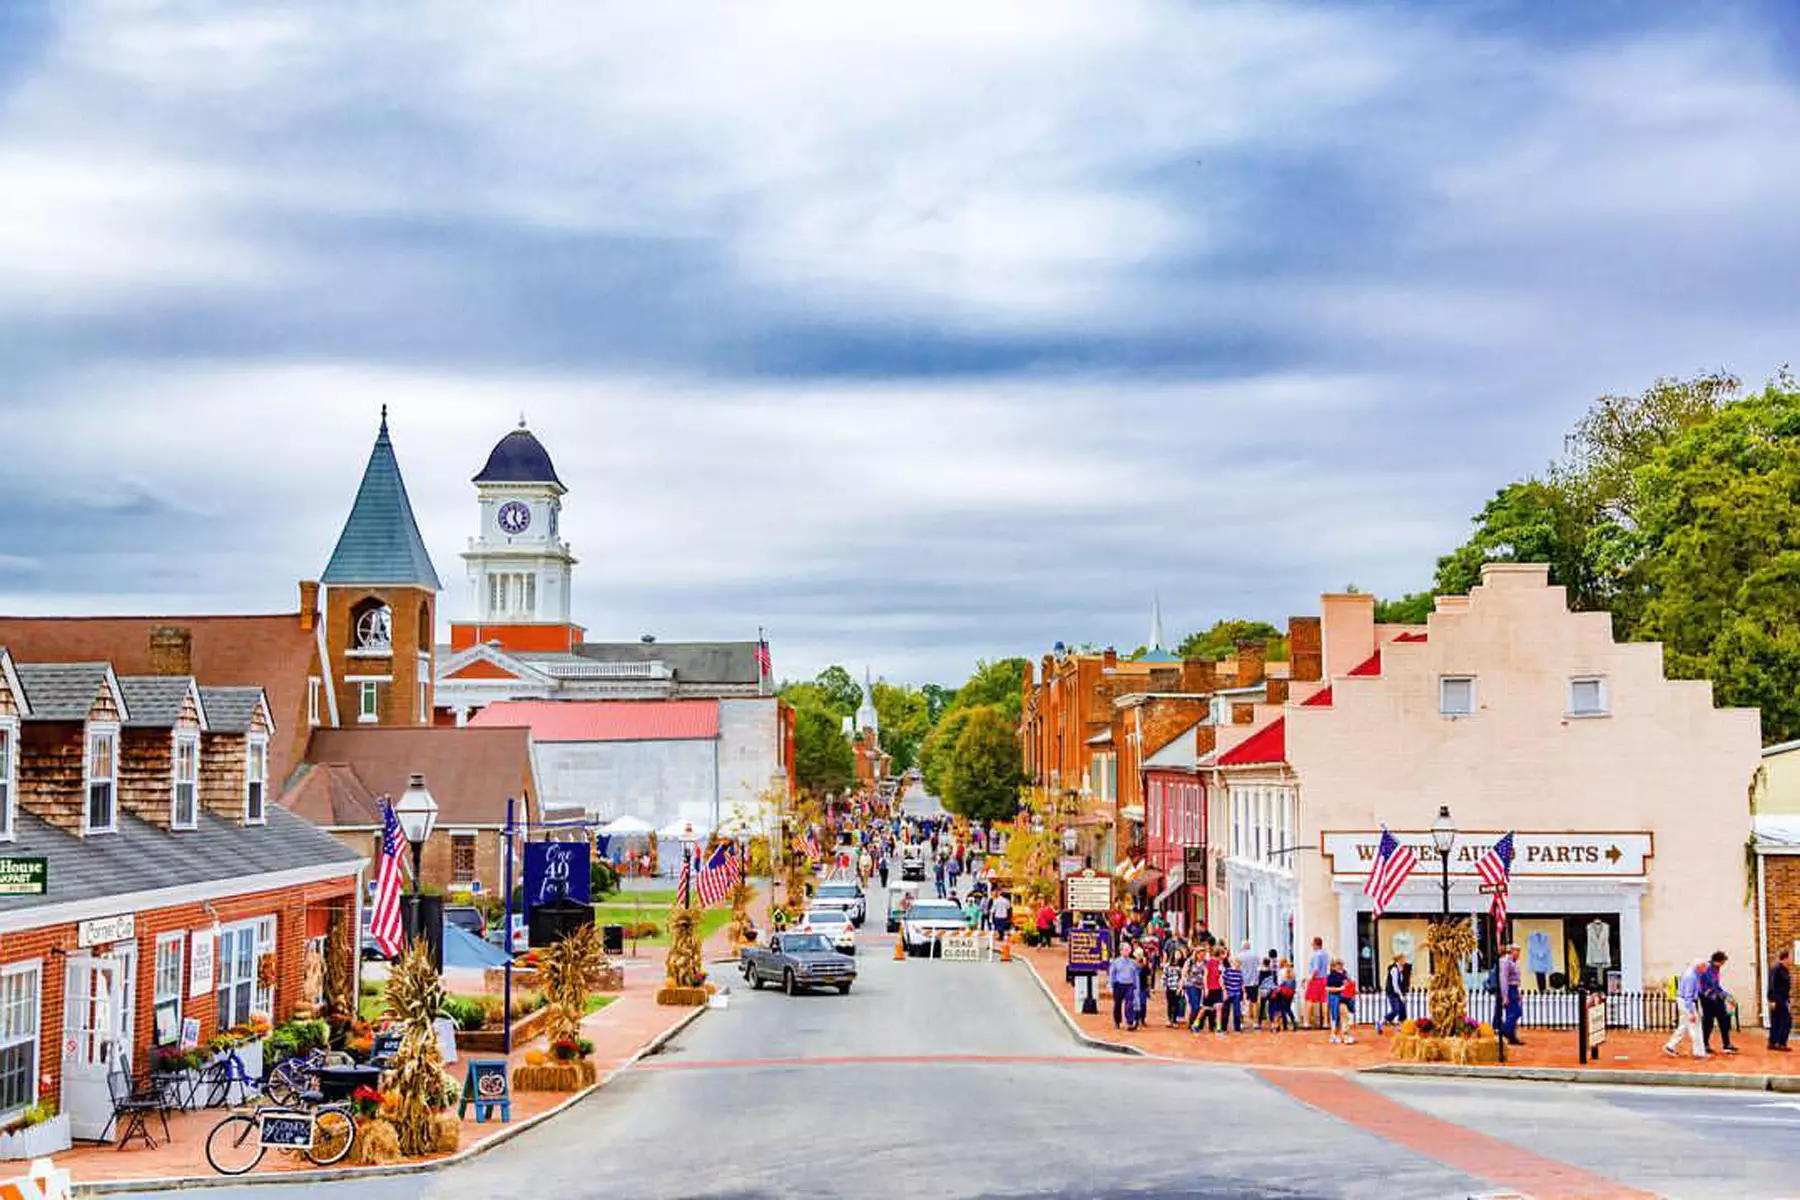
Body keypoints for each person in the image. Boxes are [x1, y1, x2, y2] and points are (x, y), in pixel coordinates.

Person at [1663, 958, 1708, 1059]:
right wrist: (1691, 1012)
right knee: (1695, 1027)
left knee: (1683, 1026)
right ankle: (1699, 1053)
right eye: (1705, 968)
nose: (1706, 970)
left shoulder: (1693, 972)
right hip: (1687, 1003)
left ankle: (1670, 1046)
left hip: (1684, 1001)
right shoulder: (1691, 977)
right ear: (1699, 967)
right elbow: (1688, 997)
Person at [1699, 950, 1737, 1054]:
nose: (1723, 964)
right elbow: (1706, 986)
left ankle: (1726, 1044)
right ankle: (1704, 1044)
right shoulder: (1707, 969)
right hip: (1707, 999)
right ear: (1717, 961)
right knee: (1708, 1022)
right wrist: (1714, 995)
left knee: (1724, 1020)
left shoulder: (1716, 969)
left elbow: (1717, 986)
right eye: (1723, 962)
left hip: (1716, 998)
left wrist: (1726, 996)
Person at [1108, 942, 1140, 1031]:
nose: (1127, 951)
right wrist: (1111, 985)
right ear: (1121, 951)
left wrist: (1136, 986)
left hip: (1129, 985)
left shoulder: (1133, 962)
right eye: (1125, 950)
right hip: (1118, 985)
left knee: (1129, 1004)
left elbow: (1135, 975)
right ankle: (1117, 1021)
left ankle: (1130, 1022)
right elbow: (1112, 974)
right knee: (1117, 1004)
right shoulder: (1116, 962)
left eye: (1128, 949)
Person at [1498, 944, 1525, 1046]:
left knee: (1515, 1013)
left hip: (1514, 989)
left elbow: (1517, 979)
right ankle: (1504, 1031)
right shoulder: (1506, 962)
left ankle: (1512, 1036)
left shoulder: (1515, 962)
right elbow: (1504, 979)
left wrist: (1518, 991)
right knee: (1515, 1013)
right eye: (1516, 951)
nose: (1518, 953)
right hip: (1509, 989)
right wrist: (1505, 995)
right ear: (1512, 951)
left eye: (1519, 951)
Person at [1380, 953, 1411, 1035]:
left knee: (1403, 1010)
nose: (1405, 961)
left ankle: (1400, 1028)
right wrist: (1400, 995)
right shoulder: (1394, 969)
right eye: (1403, 959)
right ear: (1399, 960)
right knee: (1395, 1010)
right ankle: (1381, 1022)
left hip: (1399, 992)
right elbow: (1395, 984)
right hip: (1392, 993)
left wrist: (1403, 993)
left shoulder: (1401, 969)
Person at [1326, 958, 1355, 1044]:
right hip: (1335, 998)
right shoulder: (1331, 977)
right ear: (1333, 967)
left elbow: (1349, 984)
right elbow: (1328, 988)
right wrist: (1339, 989)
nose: (1340, 967)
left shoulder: (1345, 975)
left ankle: (1345, 1035)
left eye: (1341, 965)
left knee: (1345, 1016)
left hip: (1344, 999)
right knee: (1336, 1018)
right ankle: (1335, 1035)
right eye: (1338, 965)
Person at [1304, 937, 1331, 1030]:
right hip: (1324, 978)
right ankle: (1326, 1023)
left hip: (1316, 979)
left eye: (1312, 943)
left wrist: (1310, 979)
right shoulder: (1326, 954)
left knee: (1310, 1000)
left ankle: (1307, 1022)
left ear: (1315, 944)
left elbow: (1315, 969)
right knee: (1324, 1001)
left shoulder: (1316, 955)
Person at [1771, 950, 1793, 1052]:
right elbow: (1771, 985)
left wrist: (1788, 999)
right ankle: (1781, 1043)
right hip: (1777, 999)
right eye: (1790, 957)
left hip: (1783, 998)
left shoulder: (1785, 969)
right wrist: (1772, 1000)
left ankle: (1773, 1042)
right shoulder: (1777, 969)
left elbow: (1786, 986)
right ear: (1785, 958)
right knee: (1786, 1021)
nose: (1791, 959)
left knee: (1777, 1021)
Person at [1270, 961, 1298, 1032]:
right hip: (1290, 995)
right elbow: (1294, 987)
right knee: (1288, 1009)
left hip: (1284, 994)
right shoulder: (1293, 978)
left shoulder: (1284, 978)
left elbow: (1280, 985)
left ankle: (1284, 1025)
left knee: (1282, 1010)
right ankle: (1294, 1022)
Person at [1163, 946, 1187, 1027]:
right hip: (1169, 987)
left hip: (1177, 988)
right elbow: (1164, 976)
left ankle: (1174, 1020)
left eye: (1179, 954)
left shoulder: (1181, 967)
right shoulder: (1167, 966)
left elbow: (1183, 978)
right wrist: (1165, 986)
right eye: (1176, 953)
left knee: (1176, 1004)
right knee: (1170, 1004)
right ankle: (1169, 1019)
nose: (1178, 955)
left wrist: (1181, 988)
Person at [1222, 956, 1246, 1034]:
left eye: (1240, 964)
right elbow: (1222, 981)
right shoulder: (1227, 971)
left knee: (1237, 1011)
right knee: (1226, 1011)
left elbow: (1241, 983)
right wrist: (1225, 991)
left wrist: (1244, 993)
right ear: (1233, 963)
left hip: (1237, 993)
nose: (1239, 965)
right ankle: (1224, 1029)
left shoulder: (1240, 972)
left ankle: (1237, 1029)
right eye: (1238, 963)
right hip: (1228, 993)